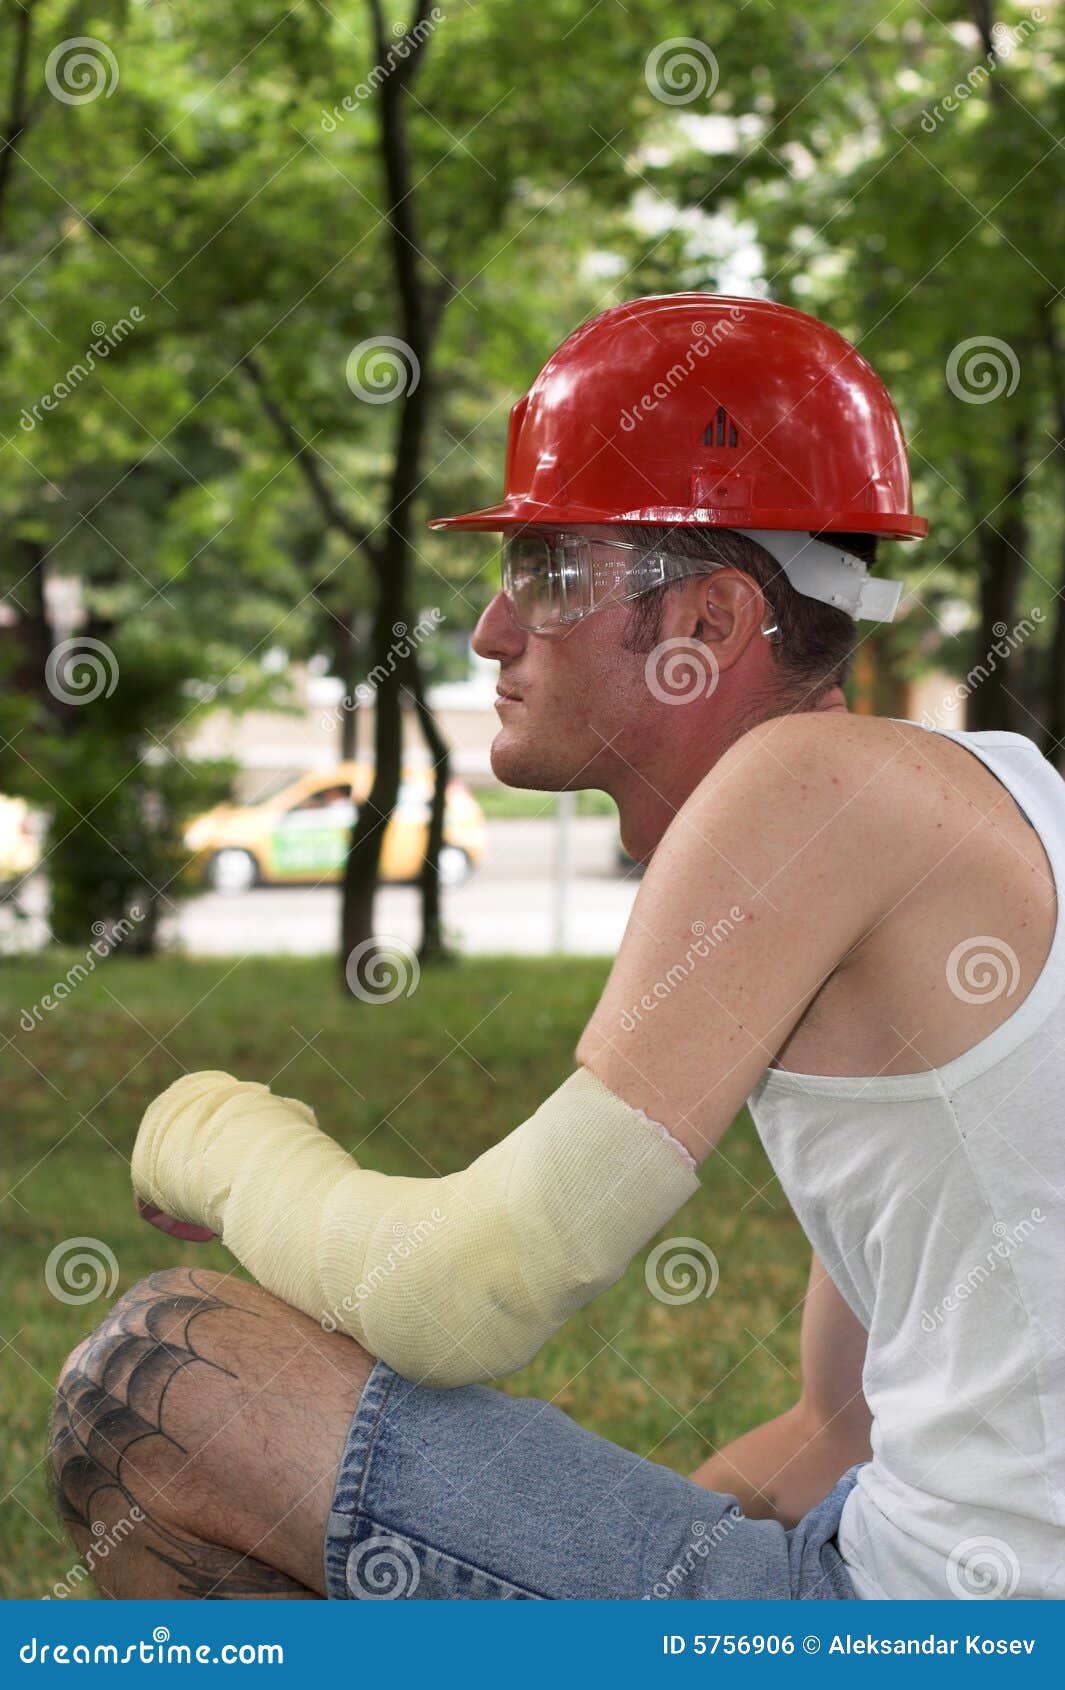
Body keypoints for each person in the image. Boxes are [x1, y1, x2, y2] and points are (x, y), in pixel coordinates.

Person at [49, 295, 1063, 1602]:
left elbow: (464, 1284)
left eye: (549, 571)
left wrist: (208, 1130)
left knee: (166, 1377)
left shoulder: (808, 790)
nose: (489, 629)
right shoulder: (983, 794)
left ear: (706, 624)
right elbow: (833, 1431)